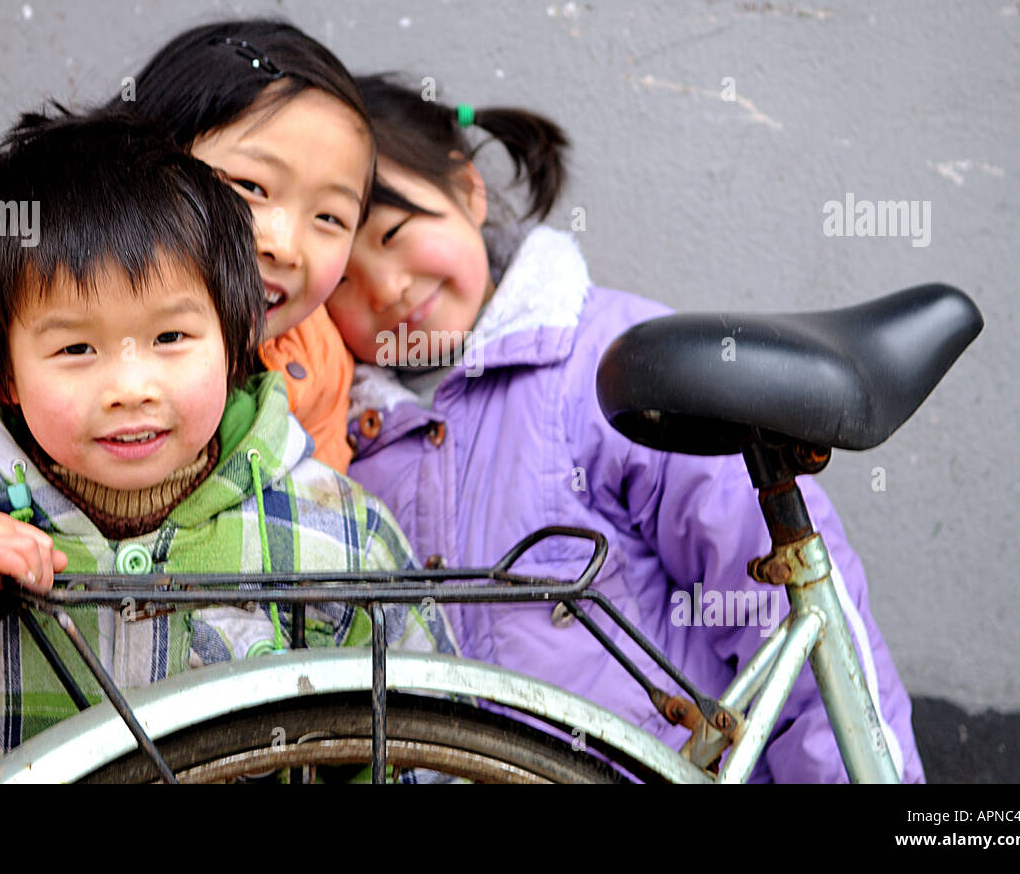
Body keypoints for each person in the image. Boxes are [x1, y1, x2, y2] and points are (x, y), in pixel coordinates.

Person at [0, 109, 453, 783]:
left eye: (171, 339)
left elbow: (428, 750)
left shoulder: (334, 533)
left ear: (235, 339)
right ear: (2, 370)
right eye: (76, 348)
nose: (131, 387)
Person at [324, 74, 926, 783]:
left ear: (467, 190)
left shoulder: (617, 369)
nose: (386, 287)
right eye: (341, 279)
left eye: (395, 234)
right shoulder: (349, 451)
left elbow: (790, 618)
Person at [0, 20, 373, 658]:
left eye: (330, 217)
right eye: (251, 187)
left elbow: (317, 557)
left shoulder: (305, 360)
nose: (283, 243)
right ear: (143, 161)